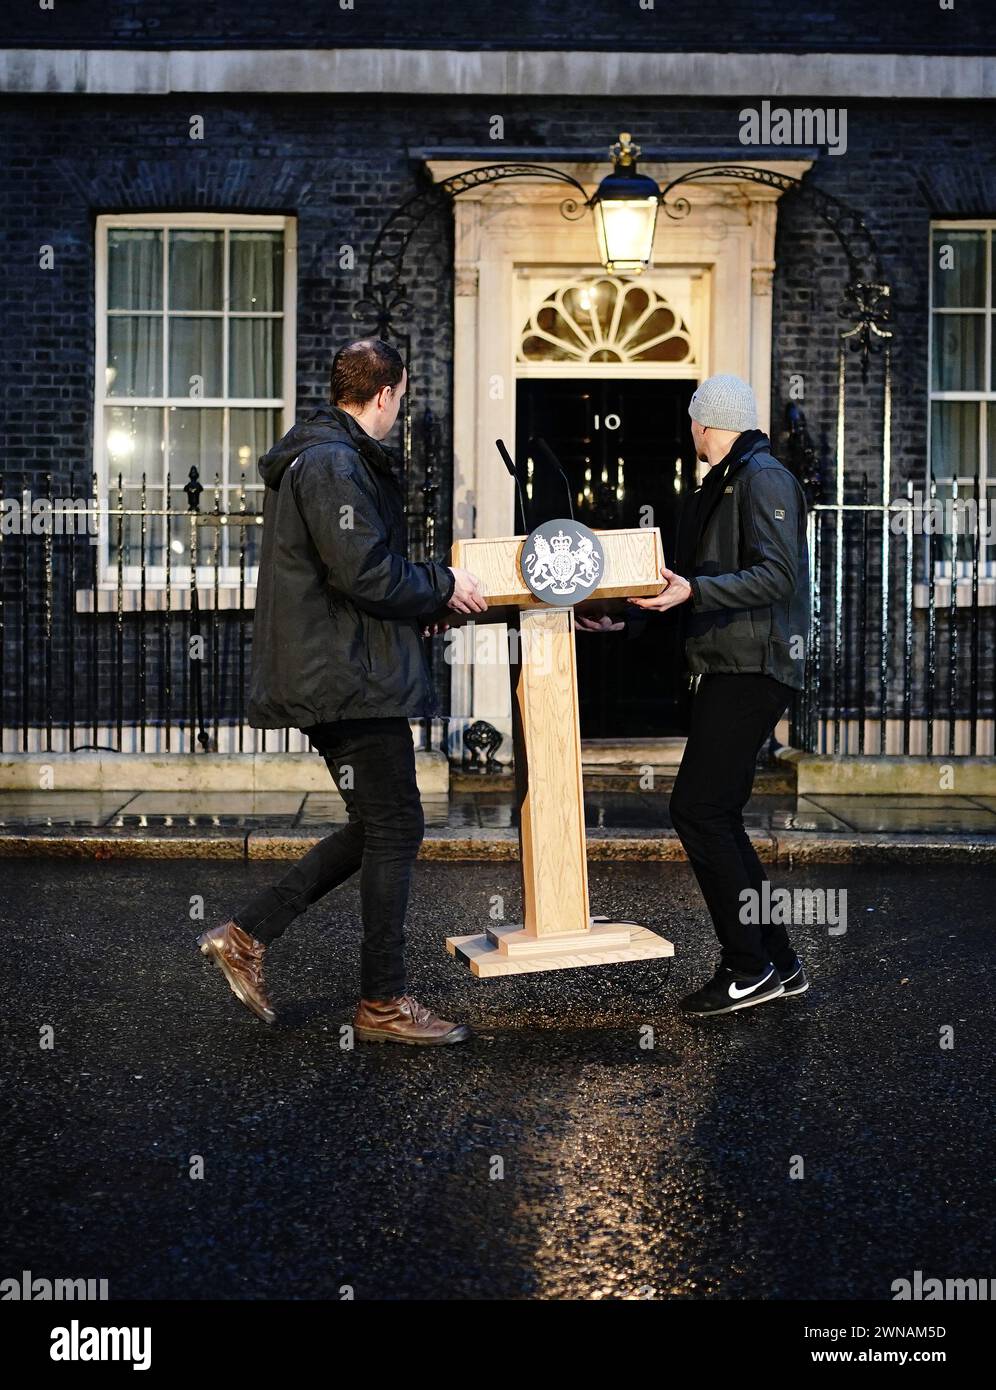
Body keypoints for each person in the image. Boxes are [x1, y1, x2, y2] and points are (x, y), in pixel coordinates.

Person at [198, 338, 486, 1044]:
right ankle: (381, 1003)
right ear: (386, 394)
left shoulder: (329, 457)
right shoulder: (333, 463)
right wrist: (443, 585)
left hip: (347, 667)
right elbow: (363, 573)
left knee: (378, 824)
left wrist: (423, 607)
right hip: (347, 680)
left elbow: (356, 580)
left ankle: (245, 935)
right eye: (401, 399)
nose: (399, 411)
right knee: (396, 825)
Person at [587, 373, 811, 1016]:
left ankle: (747, 968)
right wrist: (624, 619)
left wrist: (696, 593)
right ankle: (779, 962)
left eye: (692, 420)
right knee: (718, 814)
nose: (690, 431)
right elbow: (685, 584)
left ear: (706, 422)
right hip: (729, 664)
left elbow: (779, 574)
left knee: (698, 810)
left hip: (755, 666)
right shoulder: (721, 484)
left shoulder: (762, 477)